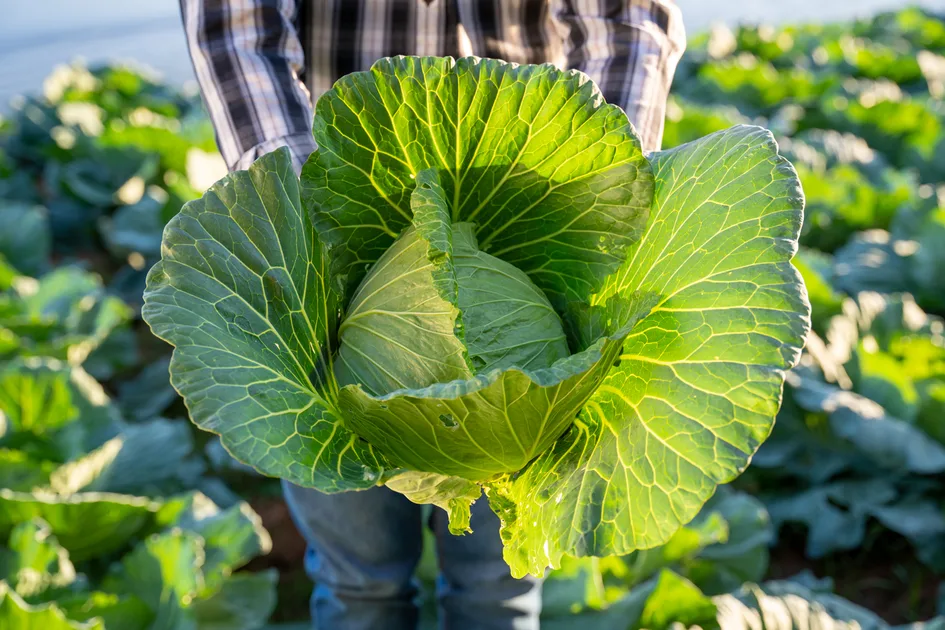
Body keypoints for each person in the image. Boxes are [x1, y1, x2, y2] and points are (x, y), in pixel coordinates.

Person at [179, 1, 685, 628]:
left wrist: (600, 175)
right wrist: (300, 203)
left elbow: (627, 20)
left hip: (522, 184)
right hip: (328, 219)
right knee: (360, 585)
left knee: (497, 589)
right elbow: (236, 25)